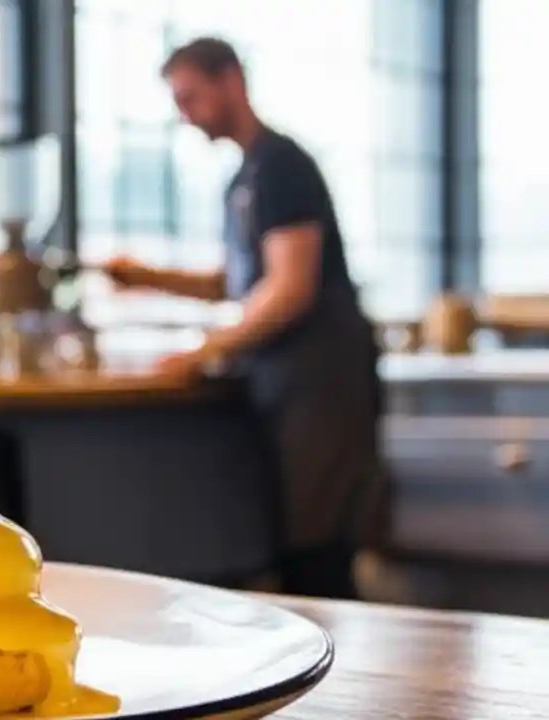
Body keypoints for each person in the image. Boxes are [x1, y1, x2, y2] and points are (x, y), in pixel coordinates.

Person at [107, 38, 381, 599]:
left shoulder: (282, 166)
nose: (183, 113)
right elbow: (240, 282)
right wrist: (148, 277)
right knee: (291, 545)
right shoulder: (245, 178)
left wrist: (203, 354)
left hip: (319, 382)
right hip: (281, 383)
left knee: (317, 549)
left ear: (230, 79)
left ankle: (342, 680)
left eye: (190, 96)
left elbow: (289, 287)